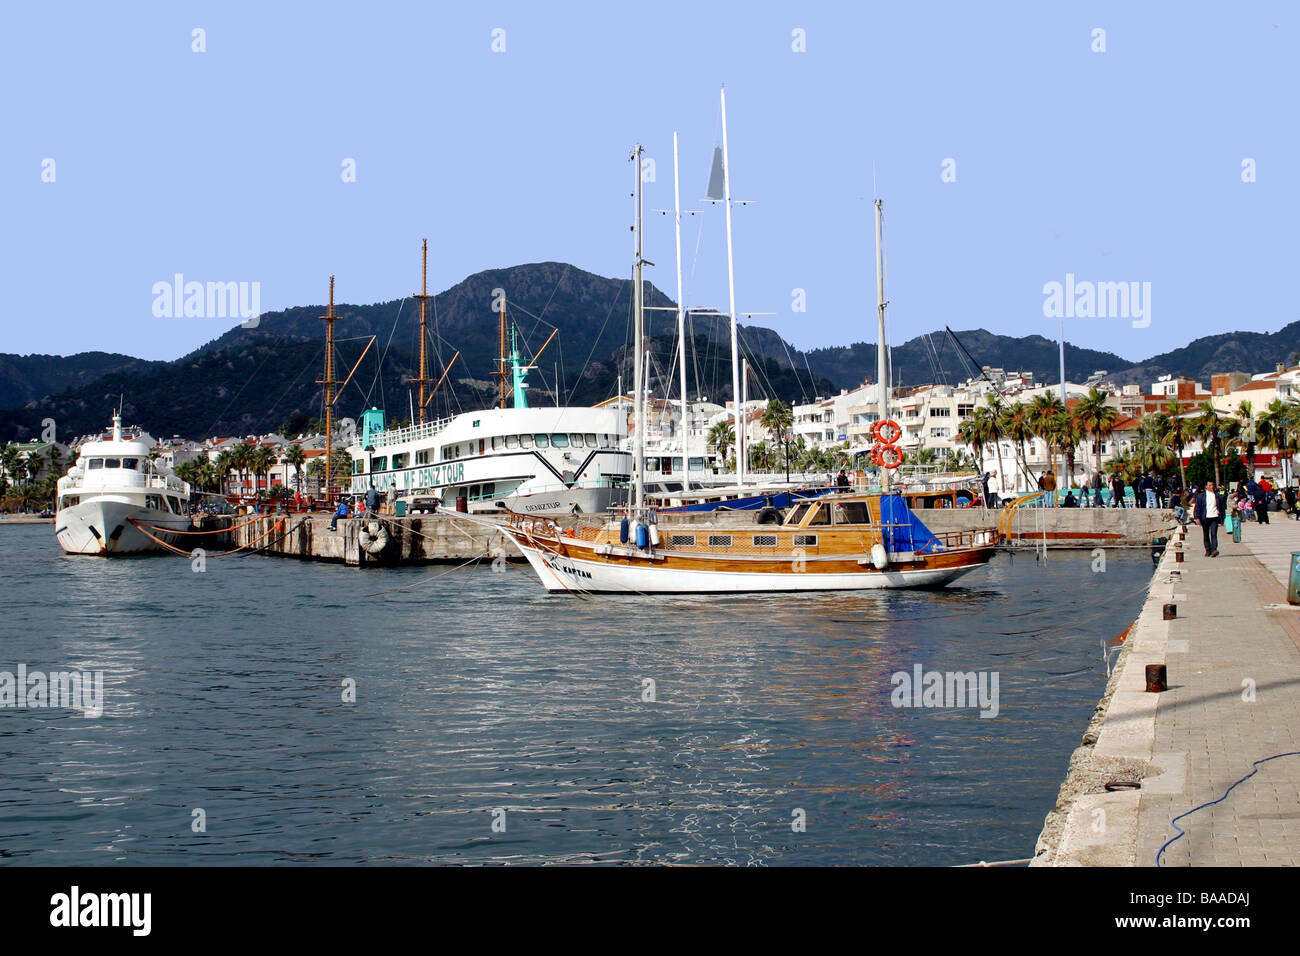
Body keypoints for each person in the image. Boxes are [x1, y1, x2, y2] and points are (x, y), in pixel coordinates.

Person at [1193, 480, 1226, 557]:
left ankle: (1214, 550)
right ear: (1206, 486)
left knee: (1214, 534)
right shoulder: (1201, 496)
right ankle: (1208, 550)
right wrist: (1196, 517)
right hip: (1205, 517)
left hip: (1214, 517)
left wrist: (1222, 490)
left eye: (1213, 485)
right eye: (1210, 485)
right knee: (1206, 534)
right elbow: (1197, 507)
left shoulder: (1217, 495)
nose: (1212, 486)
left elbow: (1222, 498)